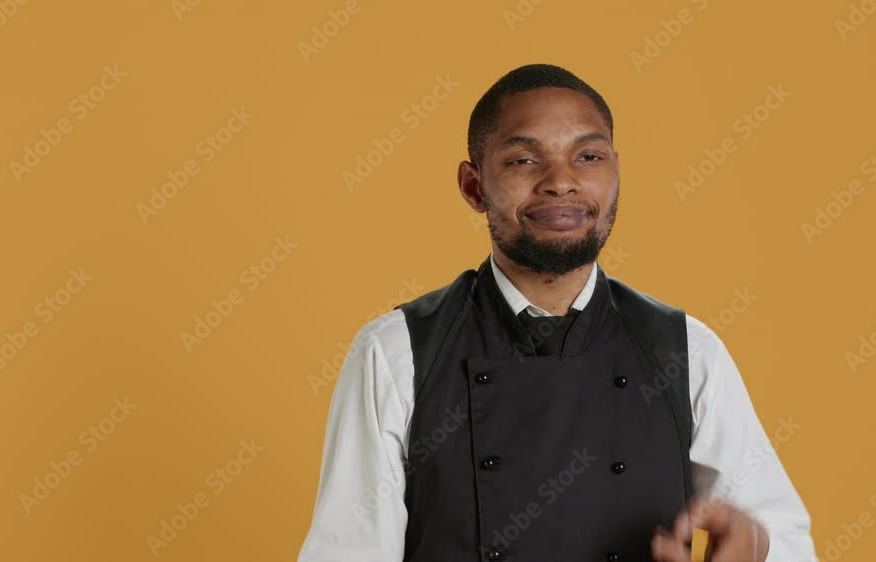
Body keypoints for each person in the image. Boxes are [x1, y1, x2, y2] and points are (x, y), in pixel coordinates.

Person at [298, 63, 817, 562]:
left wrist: (756, 549)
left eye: (588, 157)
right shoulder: (397, 353)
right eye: (524, 160)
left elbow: (776, 539)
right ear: (473, 187)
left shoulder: (686, 351)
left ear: (617, 172)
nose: (560, 181)